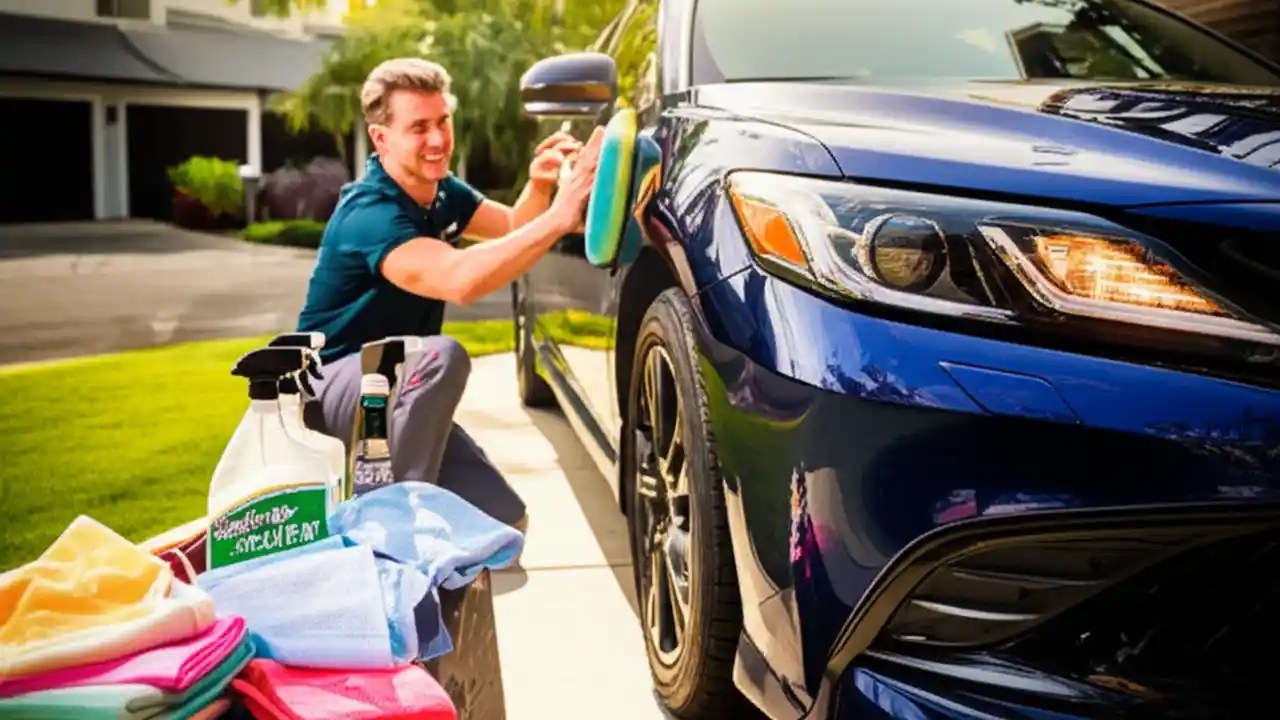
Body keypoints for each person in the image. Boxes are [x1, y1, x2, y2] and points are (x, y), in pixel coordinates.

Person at [295, 57, 604, 531]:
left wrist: (540, 189)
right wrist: (562, 215)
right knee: (440, 358)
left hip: (397, 384)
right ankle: (386, 524)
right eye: (419, 127)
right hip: (328, 395)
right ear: (382, 138)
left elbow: (512, 230)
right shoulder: (370, 211)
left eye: (442, 121)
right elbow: (460, 279)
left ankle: (405, 520)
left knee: (503, 523)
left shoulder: (439, 191)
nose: (438, 139)